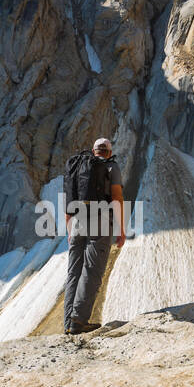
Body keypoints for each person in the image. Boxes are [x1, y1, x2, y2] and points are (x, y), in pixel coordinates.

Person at [63, 137, 125, 335]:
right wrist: (121, 229)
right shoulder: (110, 167)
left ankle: (68, 322)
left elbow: (68, 198)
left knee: (74, 271)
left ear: (93, 150)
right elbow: (117, 198)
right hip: (99, 220)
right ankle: (78, 321)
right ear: (108, 151)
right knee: (92, 270)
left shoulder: (78, 167)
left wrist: (69, 228)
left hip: (77, 221)